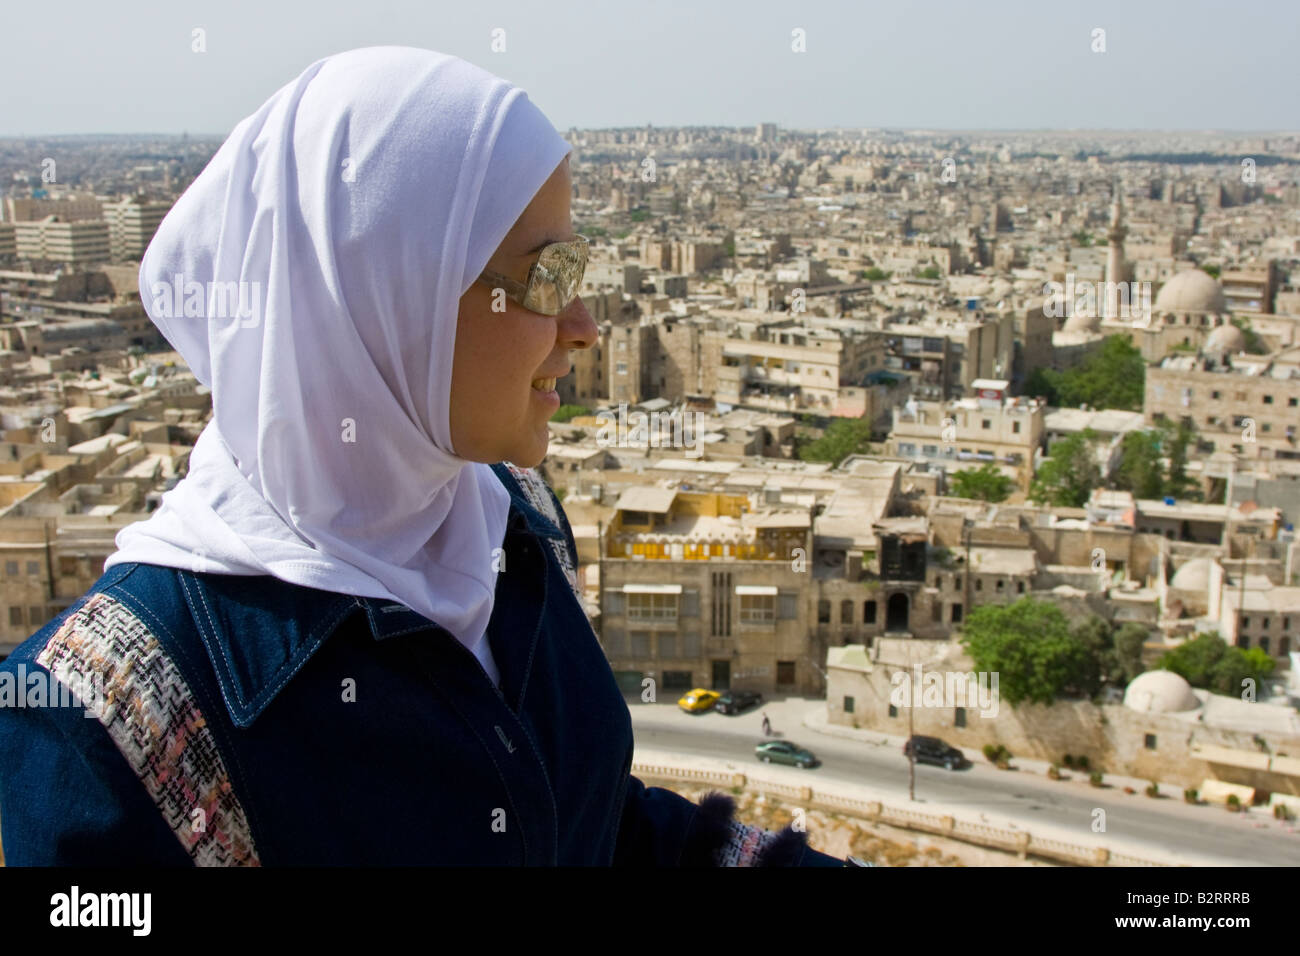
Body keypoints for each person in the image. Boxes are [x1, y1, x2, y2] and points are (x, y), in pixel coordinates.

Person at [0, 47, 845, 867]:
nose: (586, 323)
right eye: (547, 276)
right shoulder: (104, 718)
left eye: (578, 268)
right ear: (392, 296)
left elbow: (582, 823)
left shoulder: (517, 517)